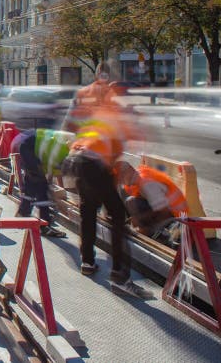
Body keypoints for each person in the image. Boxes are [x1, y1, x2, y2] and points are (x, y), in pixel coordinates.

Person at [62, 98, 150, 297]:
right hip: (91, 165)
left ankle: (87, 262)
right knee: (118, 216)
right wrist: (112, 201)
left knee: (88, 211)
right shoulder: (118, 127)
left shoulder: (97, 123)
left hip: (74, 161)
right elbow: (109, 168)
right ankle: (121, 278)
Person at [11, 129, 73, 238]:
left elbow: (51, 169)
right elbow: (49, 169)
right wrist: (51, 191)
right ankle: (45, 226)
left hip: (26, 144)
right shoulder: (61, 151)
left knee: (32, 184)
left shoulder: (63, 145)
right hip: (28, 148)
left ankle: (23, 213)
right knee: (42, 189)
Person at [114, 161, 185, 242]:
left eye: (122, 176)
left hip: (175, 217)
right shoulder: (137, 176)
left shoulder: (147, 184)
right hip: (164, 209)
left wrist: (144, 225)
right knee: (130, 202)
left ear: (130, 170)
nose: (121, 181)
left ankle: (153, 233)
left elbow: (165, 213)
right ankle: (143, 228)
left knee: (146, 227)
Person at [62, 62, 118, 132]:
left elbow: (68, 118)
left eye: (105, 76)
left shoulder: (111, 95)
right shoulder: (112, 95)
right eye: (102, 75)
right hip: (89, 134)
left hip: (88, 134)